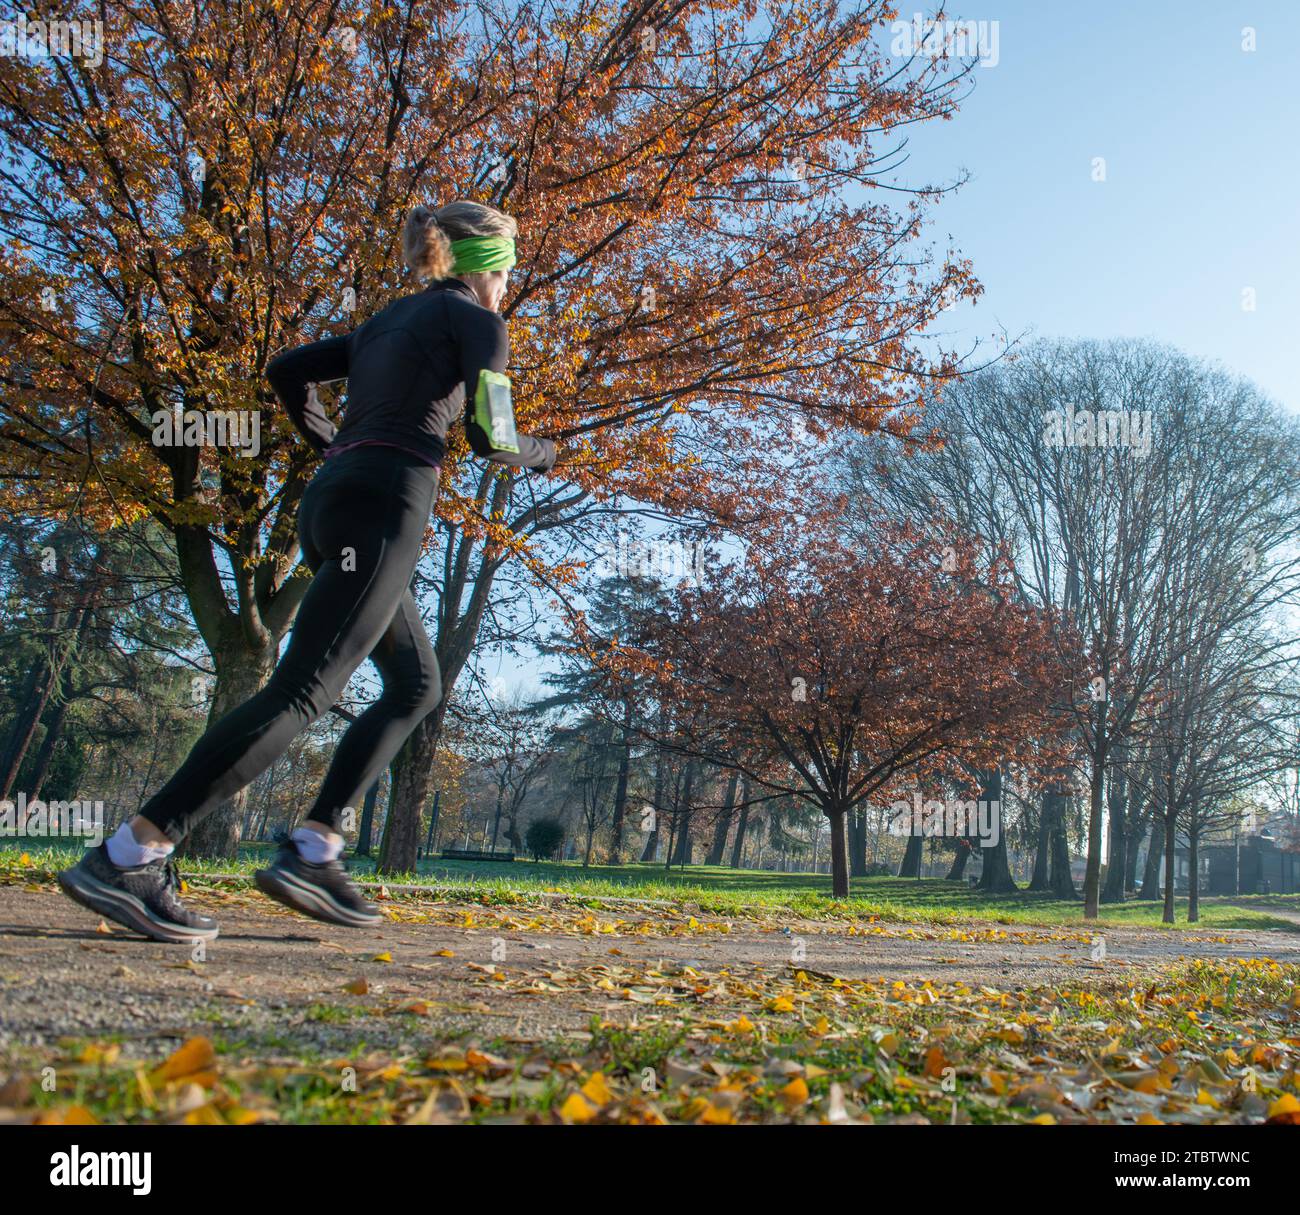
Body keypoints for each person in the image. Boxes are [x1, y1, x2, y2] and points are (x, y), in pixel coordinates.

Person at [58, 201, 557, 943]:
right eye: (509, 269)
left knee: (417, 684)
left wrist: (328, 437)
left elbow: (287, 369)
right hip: (388, 499)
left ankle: (317, 847)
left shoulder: (387, 322)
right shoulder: (481, 325)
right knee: (304, 689)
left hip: (332, 503)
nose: (510, 285)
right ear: (489, 268)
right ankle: (134, 850)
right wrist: (544, 452)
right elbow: (492, 436)